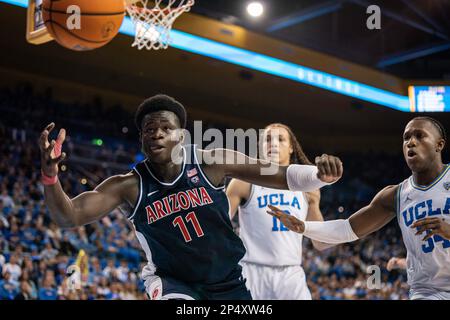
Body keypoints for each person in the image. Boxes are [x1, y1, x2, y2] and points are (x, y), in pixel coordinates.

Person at [39, 94, 343, 300]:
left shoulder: (212, 161)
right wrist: (50, 176)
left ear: (181, 136)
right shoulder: (128, 185)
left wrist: (319, 175)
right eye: (149, 129)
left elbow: (276, 174)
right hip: (173, 281)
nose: (157, 133)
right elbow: (69, 216)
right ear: (141, 139)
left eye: (165, 127)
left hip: (227, 281)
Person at [268, 117, 450, 300]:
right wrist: (305, 227)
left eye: (420, 136)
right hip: (427, 293)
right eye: (406, 138)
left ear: (439, 144)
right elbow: (347, 229)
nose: (411, 142)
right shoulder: (395, 195)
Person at [227, 123, 332, 300]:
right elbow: (217, 223)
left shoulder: (307, 187)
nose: (273, 144)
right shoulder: (243, 181)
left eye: (280, 139)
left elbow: (320, 243)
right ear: (260, 147)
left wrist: (343, 232)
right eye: (267, 139)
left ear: (291, 147)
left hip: (291, 274)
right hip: (251, 271)